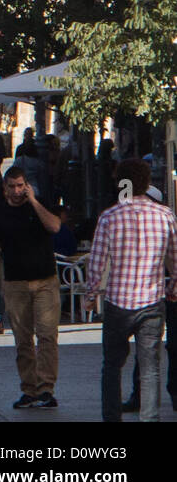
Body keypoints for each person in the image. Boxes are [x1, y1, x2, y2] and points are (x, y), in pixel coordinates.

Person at [84, 159, 177, 422]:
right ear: (147, 183)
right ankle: (149, 418)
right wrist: (172, 288)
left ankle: (112, 418)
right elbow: (175, 259)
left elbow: (97, 262)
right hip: (151, 300)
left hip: (118, 303)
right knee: (150, 368)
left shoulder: (109, 217)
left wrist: (91, 297)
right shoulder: (165, 216)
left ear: (120, 183)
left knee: (112, 366)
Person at [0, 166, 63, 409]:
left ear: (27, 185)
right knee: (22, 338)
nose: (17, 191)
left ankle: (46, 388)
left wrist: (33, 201)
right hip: (15, 282)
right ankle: (29, 389)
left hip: (45, 280)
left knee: (47, 335)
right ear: (5, 188)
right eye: (12, 186)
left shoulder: (39, 203)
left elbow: (55, 226)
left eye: (21, 185)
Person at [12, 129, 53, 202]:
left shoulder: (19, 159)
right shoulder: (38, 162)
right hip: (34, 187)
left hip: (23, 186)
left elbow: (14, 171)